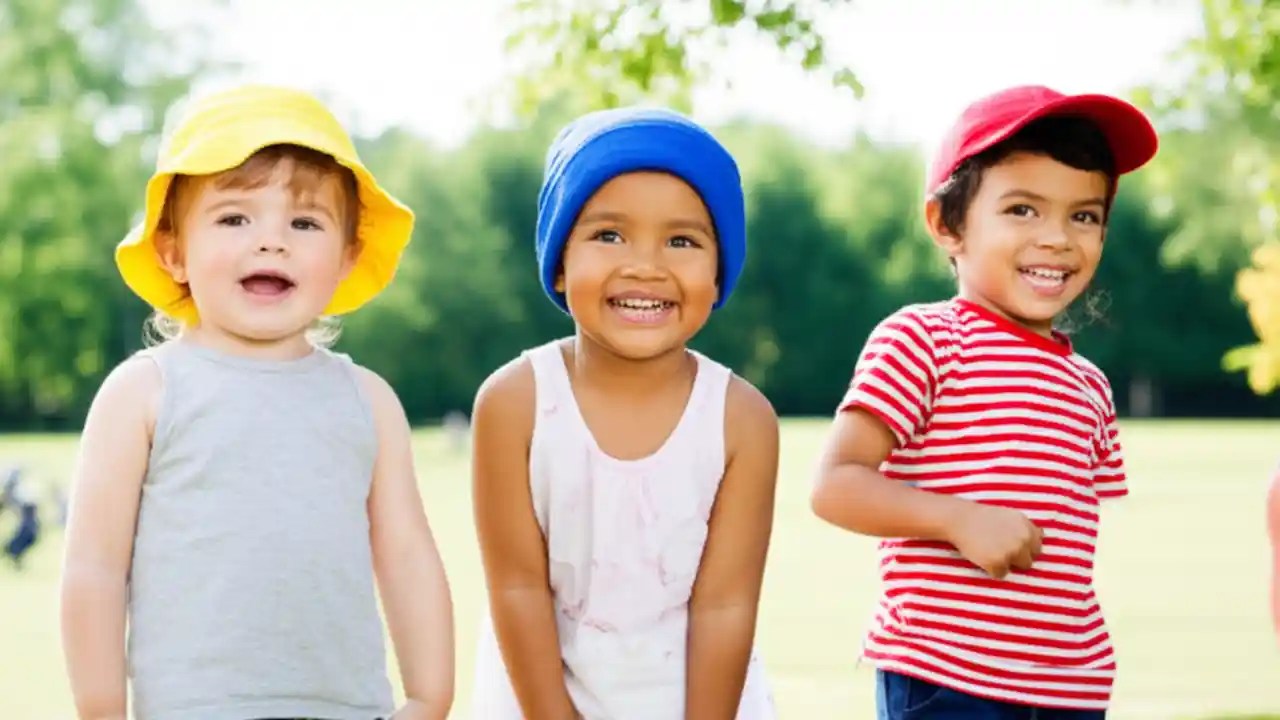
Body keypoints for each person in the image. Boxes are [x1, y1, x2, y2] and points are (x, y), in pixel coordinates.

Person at [59, 84, 454, 720]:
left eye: (304, 223)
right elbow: (94, 569)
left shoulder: (367, 400)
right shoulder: (145, 393)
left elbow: (407, 553)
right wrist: (101, 709)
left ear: (348, 255)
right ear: (174, 251)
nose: (272, 242)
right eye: (234, 218)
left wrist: (430, 696)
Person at [810, 85, 1159, 718]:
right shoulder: (924, 339)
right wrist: (958, 519)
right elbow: (835, 485)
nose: (1057, 238)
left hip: (1068, 683)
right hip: (945, 673)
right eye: (1023, 209)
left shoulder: (1090, 385)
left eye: (1084, 215)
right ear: (947, 224)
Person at [469, 107, 780, 719]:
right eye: (609, 235)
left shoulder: (741, 419)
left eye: (682, 240)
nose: (645, 264)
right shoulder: (515, 402)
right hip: (537, 703)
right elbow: (517, 587)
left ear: (719, 276)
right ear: (559, 262)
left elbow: (725, 606)